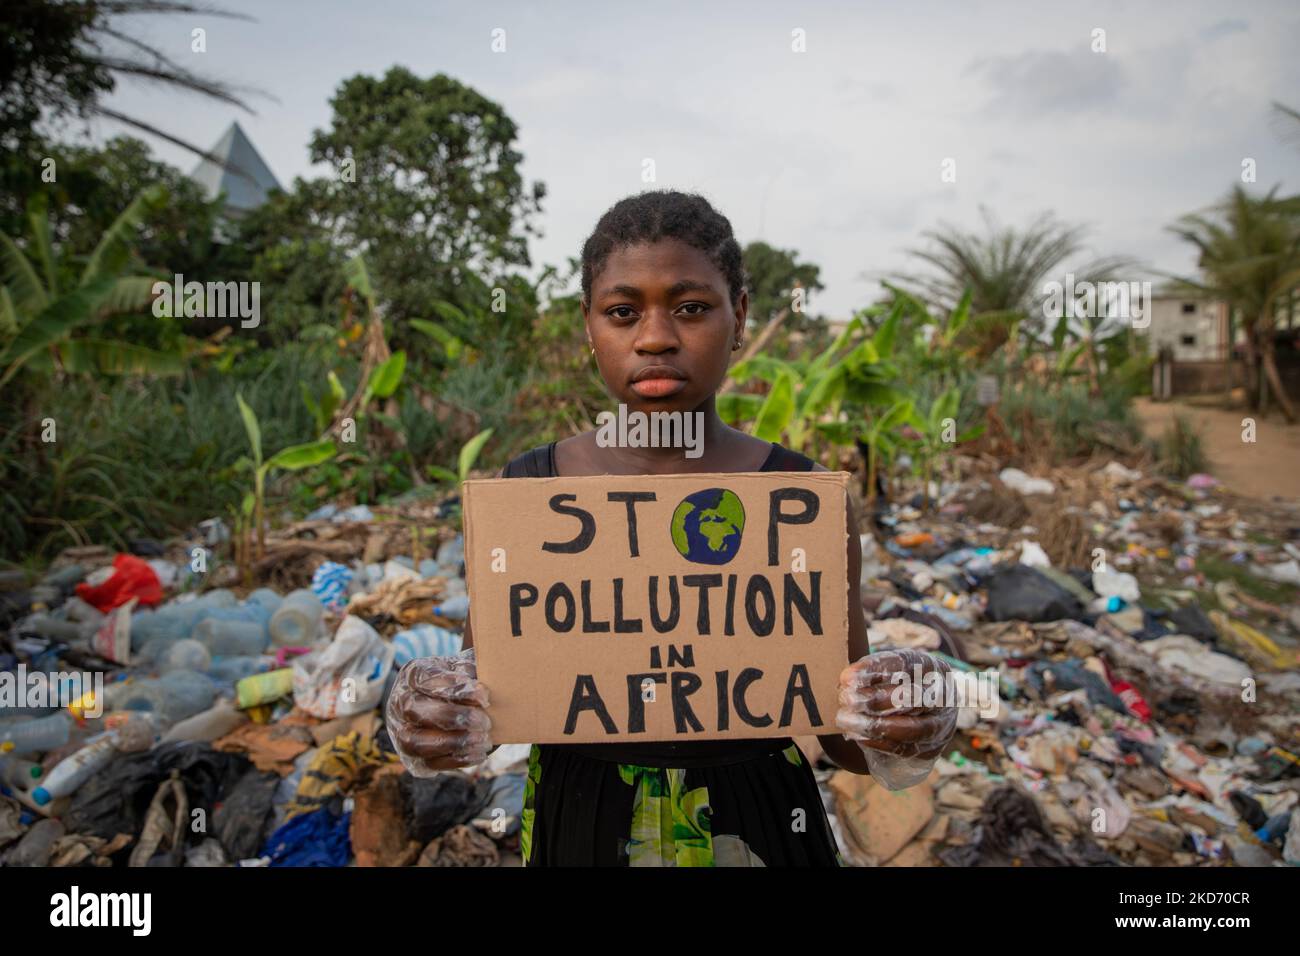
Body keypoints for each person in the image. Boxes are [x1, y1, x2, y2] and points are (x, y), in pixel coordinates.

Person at [386, 190, 957, 866]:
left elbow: (843, 742)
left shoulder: (800, 499)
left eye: (691, 308)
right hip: (584, 819)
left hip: (759, 822)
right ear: (589, 327)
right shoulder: (529, 493)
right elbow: (484, 706)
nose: (655, 338)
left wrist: (899, 719)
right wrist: (431, 718)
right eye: (623, 312)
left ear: (739, 315)